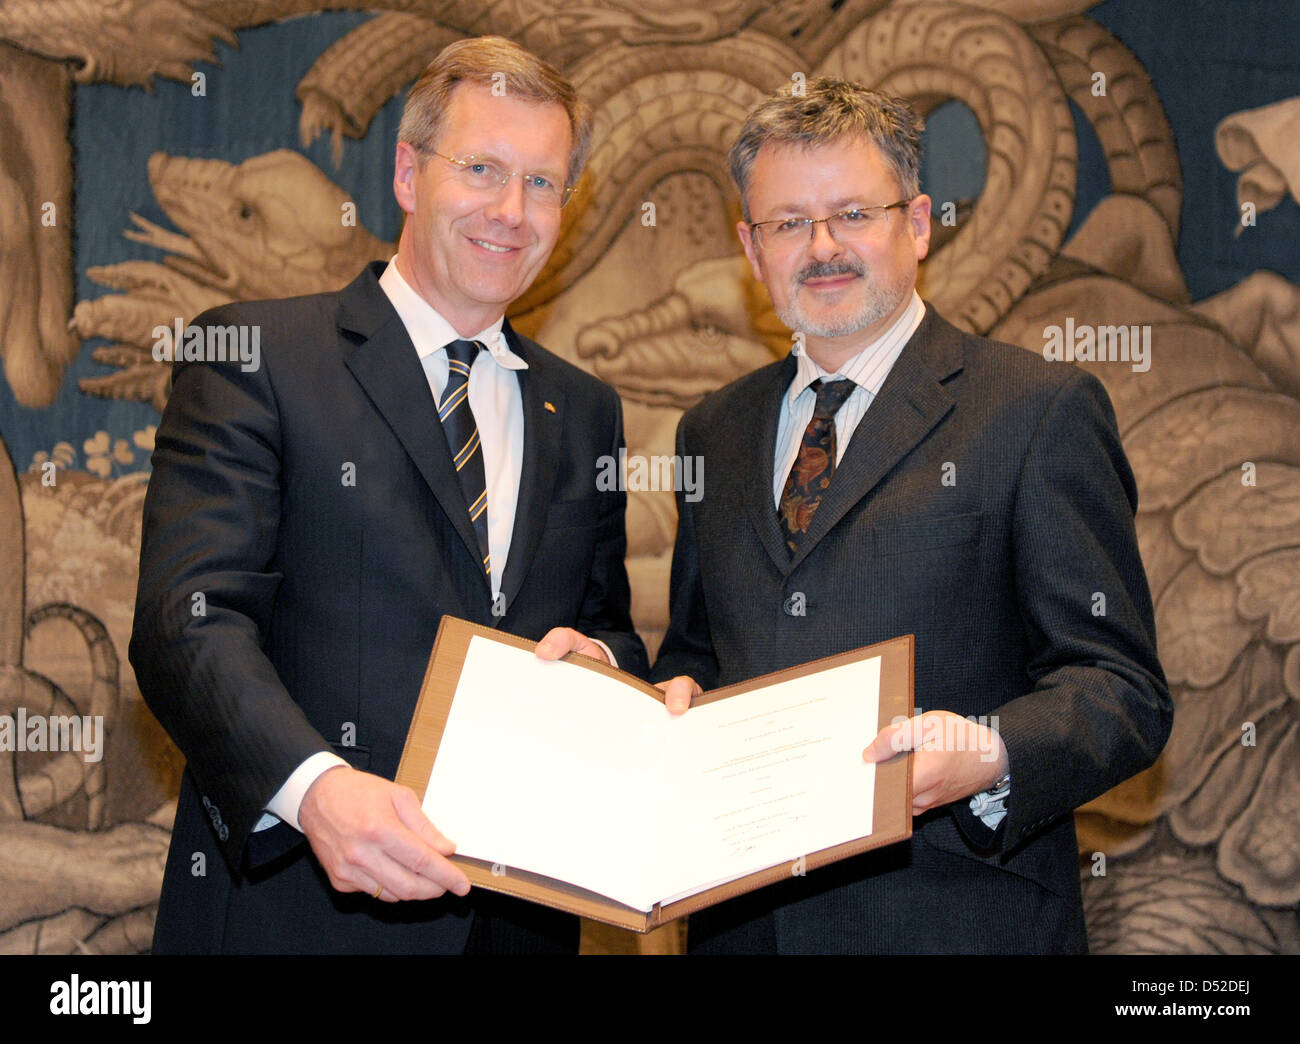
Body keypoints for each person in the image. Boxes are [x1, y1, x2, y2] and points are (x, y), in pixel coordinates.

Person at [130, 36, 648, 955]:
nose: (511, 211)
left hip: (516, 929)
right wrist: (316, 791)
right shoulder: (255, 357)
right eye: (482, 168)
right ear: (409, 173)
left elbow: (607, 624)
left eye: (543, 183)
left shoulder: (587, 411)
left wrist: (604, 670)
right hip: (296, 916)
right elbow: (187, 621)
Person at [652, 79, 1172, 953]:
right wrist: (681, 696)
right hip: (741, 930)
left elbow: (1122, 689)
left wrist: (989, 754)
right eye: (788, 223)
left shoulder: (1036, 410)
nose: (821, 248)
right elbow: (700, 649)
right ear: (750, 247)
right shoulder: (714, 429)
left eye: (853, 213)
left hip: (957, 923)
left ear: (919, 223)